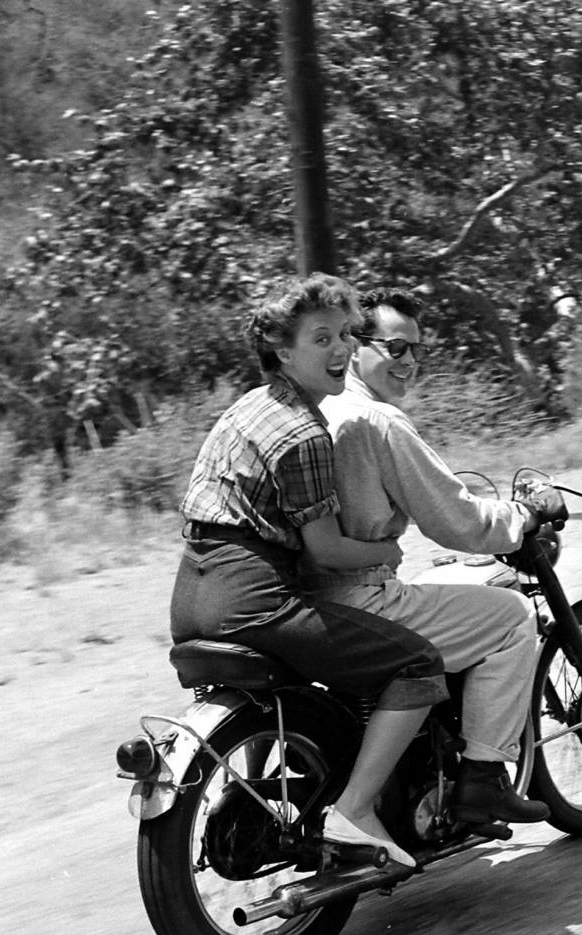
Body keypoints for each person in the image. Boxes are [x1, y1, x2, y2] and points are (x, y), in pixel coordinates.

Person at [171, 272, 449, 870]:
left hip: (191, 593)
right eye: (321, 338)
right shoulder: (304, 433)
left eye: (345, 334)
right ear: (282, 349)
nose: (341, 349)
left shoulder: (249, 407)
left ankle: (273, 790)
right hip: (251, 600)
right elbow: (326, 553)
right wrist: (386, 552)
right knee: (417, 663)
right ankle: (357, 811)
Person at [301, 286, 566, 827]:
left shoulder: (312, 407)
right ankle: (484, 780)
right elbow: (456, 521)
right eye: (396, 348)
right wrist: (523, 515)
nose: (409, 362)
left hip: (299, 600)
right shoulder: (377, 421)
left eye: (417, 350)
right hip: (361, 596)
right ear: (354, 345)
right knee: (512, 616)